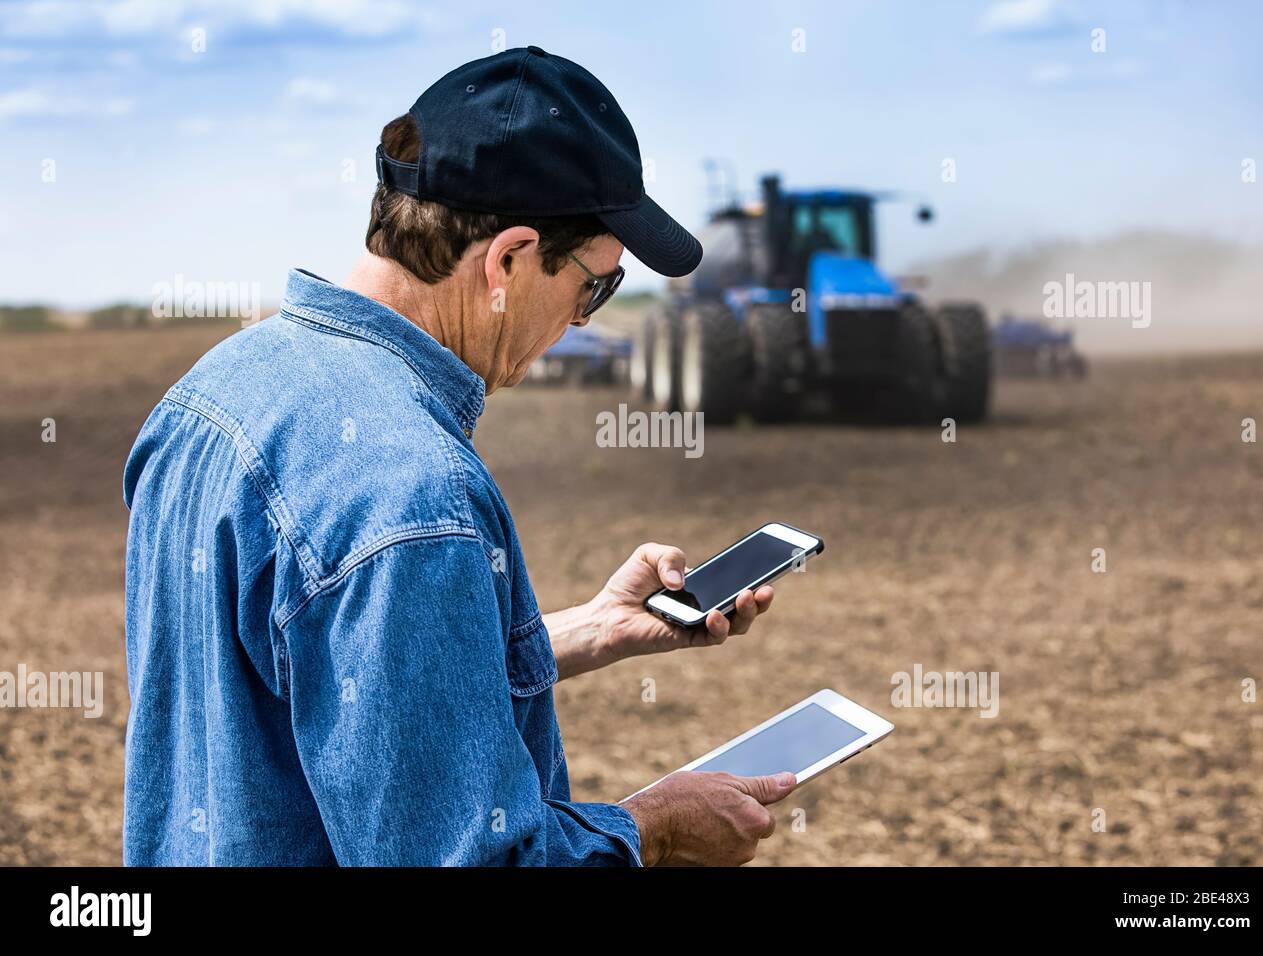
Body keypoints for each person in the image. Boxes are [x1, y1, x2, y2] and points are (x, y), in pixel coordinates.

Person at [122, 46, 796, 866]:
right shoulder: (411, 493)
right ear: (508, 260)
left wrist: (588, 631)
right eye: (594, 285)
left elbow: (318, 677)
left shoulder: (212, 392)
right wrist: (654, 827)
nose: (584, 321)